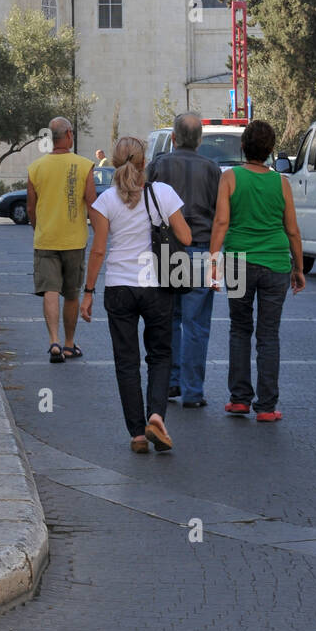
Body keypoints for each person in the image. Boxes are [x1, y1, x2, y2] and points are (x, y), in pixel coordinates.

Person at [84, 136, 192, 453]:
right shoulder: (163, 193)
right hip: (156, 284)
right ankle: (156, 415)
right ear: (145, 162)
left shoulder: (104, 202)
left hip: (119, 287)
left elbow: (99, 250)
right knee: (160, 355)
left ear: (115, 163)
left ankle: (137, 434)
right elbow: (185, 236)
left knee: (126, 361)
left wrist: (88, 292)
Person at [208, 119, 305, 422]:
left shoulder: (231, 178)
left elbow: (221, 222)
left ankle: (239, 399)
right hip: (276, 263)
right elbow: (292, 230)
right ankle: (267, 406)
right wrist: (298, 268)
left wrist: (213, 260)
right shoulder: (282, 183)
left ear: (242, 146)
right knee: (268, 335)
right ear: (270, 150)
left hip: (238, 261)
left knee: (239, 328)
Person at [147, 112, 220, 408]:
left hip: (166, 250)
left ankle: (170, 383)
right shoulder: (213, 170)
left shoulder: (159, 165)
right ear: (200, 139)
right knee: (196, 324)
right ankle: (193, 391)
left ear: (173, 138)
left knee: (169, 319)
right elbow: (221, 216)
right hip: (201, 250)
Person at [26, 116, 96, 363]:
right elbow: (92, 204)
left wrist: (39, 228)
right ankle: (69, 344)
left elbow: (31, 209)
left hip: (45, 240)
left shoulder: (35, 168)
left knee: (50, 290)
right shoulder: (85, 165)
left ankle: (53, 340)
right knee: (72, 294)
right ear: (68, 135)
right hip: (74, 241)